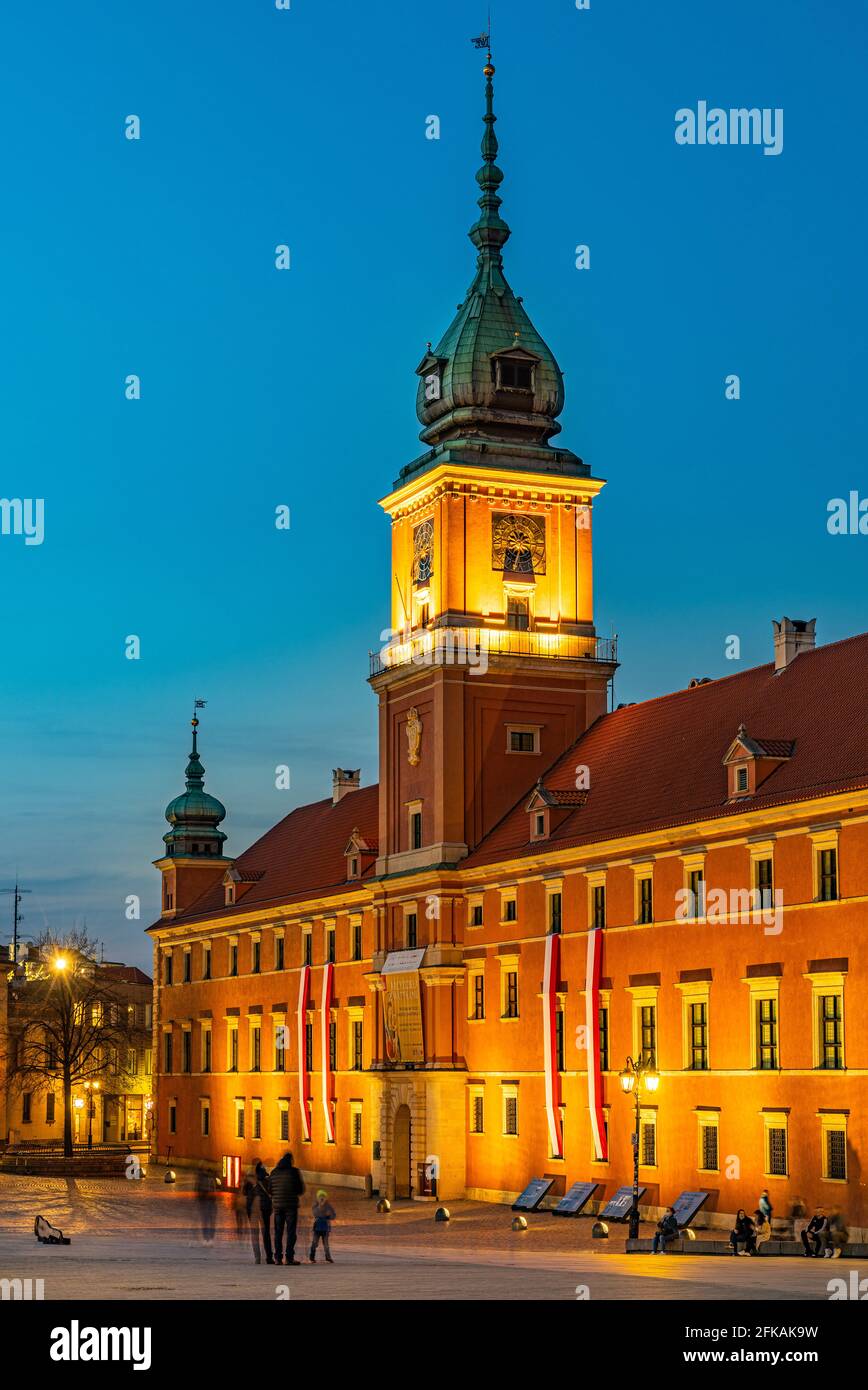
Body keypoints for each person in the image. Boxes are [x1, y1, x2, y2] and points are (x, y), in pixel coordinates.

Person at [270, 1151, 305, 1266]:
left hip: (278, 1206)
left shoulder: (273, 1172)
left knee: (278, 1232)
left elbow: (270, 1190)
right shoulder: (294, 1172)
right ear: (291, 1160)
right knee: (291, 1232)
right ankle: (289, 1257)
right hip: (291, 1206)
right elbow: (300, 1189)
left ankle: (278, 1258)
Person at [248, 1161, 274, 1265]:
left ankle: (257, 1257)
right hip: (265, 1210)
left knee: (254, 1234)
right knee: (266, 1233)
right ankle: (269, 1256)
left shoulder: (252, 1182)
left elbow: (248, 1197)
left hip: (254, 1211)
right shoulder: (267, 1182)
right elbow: (272, 1193)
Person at [309, 1189, 337, 1263]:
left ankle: (328, 1257)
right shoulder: (315, 1205)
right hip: (317, 1227)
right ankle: (311, 1257)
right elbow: (315, 1214)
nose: (322, 1198)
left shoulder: (328, 1205)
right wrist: (320, 1207)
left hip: (325, 1227)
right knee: (314, 1242)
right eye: (320, 1197)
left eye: (323, 1196)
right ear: (317, 1198)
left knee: (326, 1245)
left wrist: (329, 1216)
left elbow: (333, 1215)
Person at [195, 1167, 218, 1246]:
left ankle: (207, 1239)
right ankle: (209, 1238)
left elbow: (198, 1192)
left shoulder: (203, 1181)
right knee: (210, 1222)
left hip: (206, 1204)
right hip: (209, 1204)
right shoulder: (212, 1181)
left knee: (206, 1222)